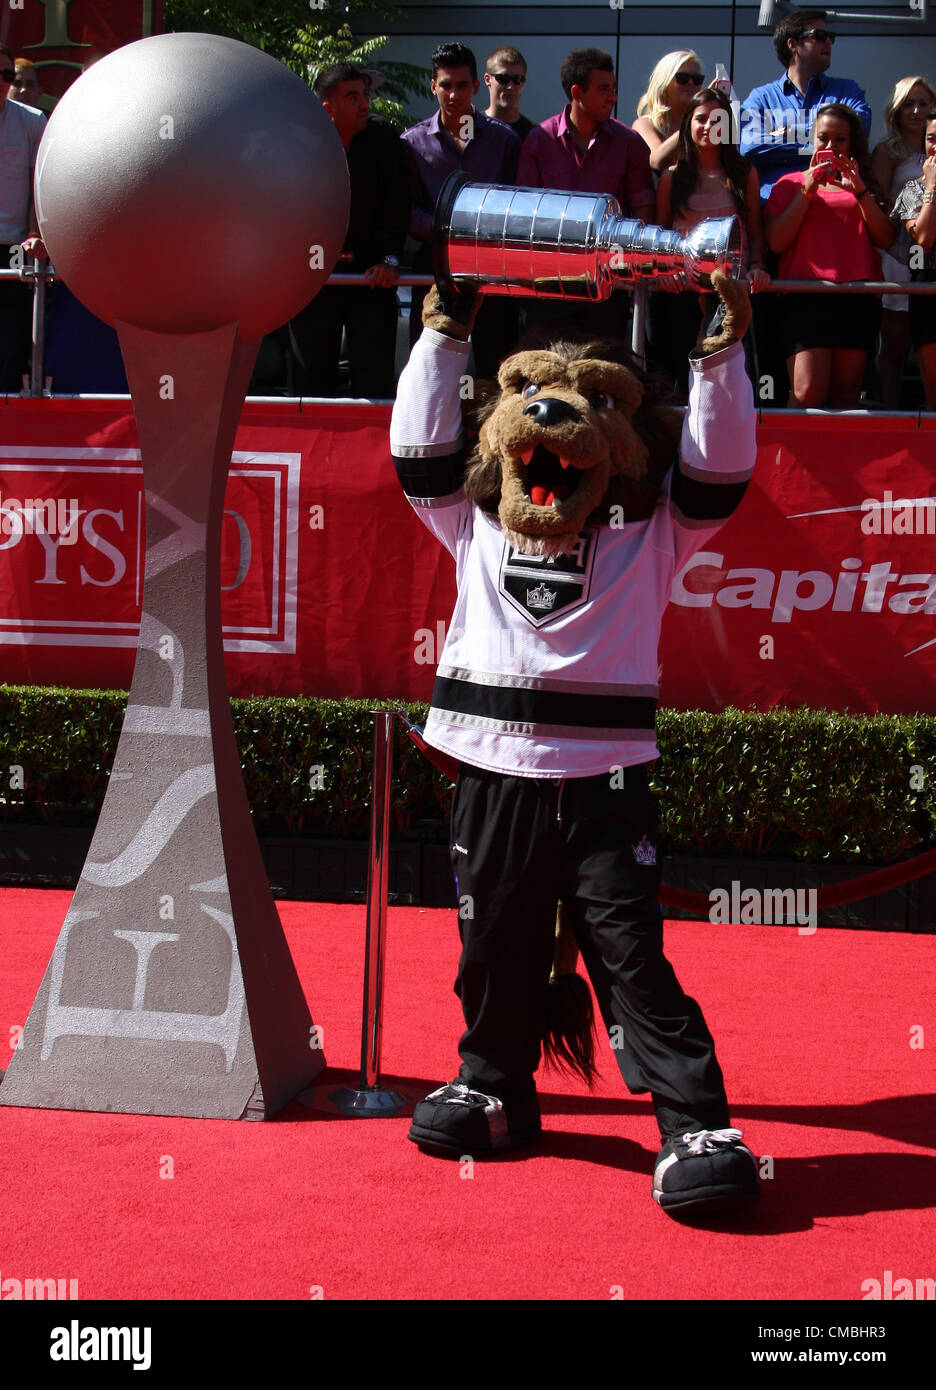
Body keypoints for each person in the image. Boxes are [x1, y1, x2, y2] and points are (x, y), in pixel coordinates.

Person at [390, 261, 761, 1218]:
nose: (557, 419)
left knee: (629, 951)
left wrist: (719, 354)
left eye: (597, 402)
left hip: (606, 781)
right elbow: (417, 451)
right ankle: (497, 1085)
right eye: (535, 396)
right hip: (494, 771)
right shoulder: (471, 522)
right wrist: (446, 329)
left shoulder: (654, 532)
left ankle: (694, 1123)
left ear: (628, 437)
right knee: (494, 941)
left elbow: (720, 469)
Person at [288, 62, 409, 398]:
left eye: (365, 95)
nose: (365, 103)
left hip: (371, 278)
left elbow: (397, 205)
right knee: (309, 387)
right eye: (353, 97)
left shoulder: (383, 138)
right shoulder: (298, 143)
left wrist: (389, 259)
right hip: (312, 281)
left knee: (375, 384)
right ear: (329, 108)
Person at [518, 47, 654, 339]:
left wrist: (626, 265)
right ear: (577, 92)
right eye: (604, 89)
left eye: (613, 88)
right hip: (550, 285)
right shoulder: (539, 140)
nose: (614, 97)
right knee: (543, 374)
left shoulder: (629, 143)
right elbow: (525, 215)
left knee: (604, 373)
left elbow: (643, 209)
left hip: (607, 288)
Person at [402, 42, 520, 377]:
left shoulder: (504, 141)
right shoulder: (412, 142)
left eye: (462, 85)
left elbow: (516, 203)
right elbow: (406, 210)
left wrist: (479, 236)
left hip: (492, 266)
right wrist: (447, 232)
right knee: (430, 369)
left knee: (497, 369)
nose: (454, 94)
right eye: (446, 85)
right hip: (436, 268)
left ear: (476, 85)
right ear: (433, 86)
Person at [765, 103, 893, 408]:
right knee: (807, 392)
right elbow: (776, 242)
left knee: (846, 397)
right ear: (812, 140)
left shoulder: (864, 184)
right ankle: (790, 457)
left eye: (840, 139)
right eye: (823, 138)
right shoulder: (790, 184)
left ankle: (837, 458)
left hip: (857, 295)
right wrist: (807, 191)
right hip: (804, 296)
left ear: (852, 143)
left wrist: (861, 192)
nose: (830, 147)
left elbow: (886, 239)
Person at [652, 88, 770, 395]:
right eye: (700, 118)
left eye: (716, 119)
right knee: (677, 381)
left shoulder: (744, 173)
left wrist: (757, 265)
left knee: (723, 384)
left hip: (730, 293)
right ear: (688, 124)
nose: (708, 126)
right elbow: (660, 234)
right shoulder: (671, 177)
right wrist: (663, 273)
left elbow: (755, 230)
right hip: (680, 293)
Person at [740, 10, 871, 201]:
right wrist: (821, 138)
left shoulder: (848, 91)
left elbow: (859, 130)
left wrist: (787, 131)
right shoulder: (762, 98)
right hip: (777, 208)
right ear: (793, 44)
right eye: (819, 36)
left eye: (830, 37)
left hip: (834, 204)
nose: (828, 42)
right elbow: (749, 146)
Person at [871, 77, 936, 408]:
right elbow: (878, 201)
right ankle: (890, 412)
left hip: (931, 258)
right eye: (909, 103)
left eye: (923, 103)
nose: (916, 110)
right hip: (899, 251)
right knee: (895, 343)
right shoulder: (887, 150)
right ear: (896, 109)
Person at [0, 42, 46, 393]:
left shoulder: (31, 120)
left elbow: (36, 183)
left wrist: (34, 231)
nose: (3, 82)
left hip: (13, 244)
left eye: (6, 76)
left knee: (11, 337)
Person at [892, 114, 936, 410]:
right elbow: (924, 237)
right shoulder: (913, 190)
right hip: (928, 291)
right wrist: (932, 186)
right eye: (932, 139)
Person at [633, 49, 705, 174]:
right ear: (664, 82)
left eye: (697, 79)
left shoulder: (704, 126)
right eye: (682, 78)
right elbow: (657, 161)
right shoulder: (645, 124)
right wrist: (692, 121)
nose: (691, 83)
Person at [483, 45, 533, 143]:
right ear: (488, 79)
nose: (510, 86)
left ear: (523, 81)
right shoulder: (471, 128)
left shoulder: (533, 134)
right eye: (503, 78)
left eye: (517, 79)